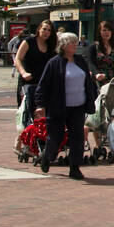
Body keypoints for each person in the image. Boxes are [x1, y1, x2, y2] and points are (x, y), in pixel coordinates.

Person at [34, 32, 98, 180]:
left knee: (77, 137)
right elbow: (43, 85)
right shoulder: (54, 63)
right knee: (56, 136)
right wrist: (40, 105)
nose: (75, 46)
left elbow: (87, 80)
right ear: (63, 46)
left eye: (76, 43)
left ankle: (75, 167)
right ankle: (47, 156)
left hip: (78, 106)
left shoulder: (80, 61)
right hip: (58, 106)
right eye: (72, 43)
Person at [13, 20, 57, 127]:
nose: (46, 32)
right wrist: (23, 73)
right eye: (44, 29)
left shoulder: (51, 46)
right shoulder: (28, 42)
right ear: (39, 29)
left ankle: (37, 139)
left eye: (49, 30)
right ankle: (21, 139)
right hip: (28, 82)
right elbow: (17, 59)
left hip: (43, 83)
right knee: (27, 111)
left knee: (41, 113)